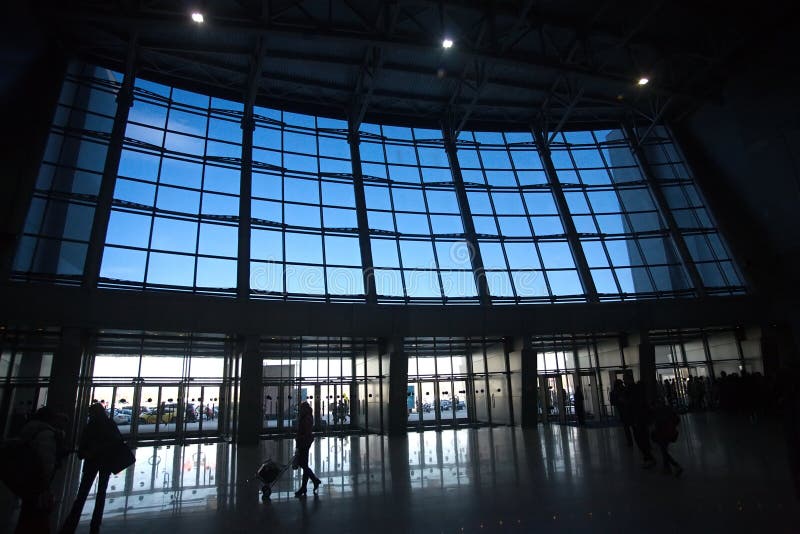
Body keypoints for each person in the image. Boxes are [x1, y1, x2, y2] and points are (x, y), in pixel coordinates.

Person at [60, 402, 126, 534]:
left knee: (83, 492)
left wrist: (84, 453)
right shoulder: (109, 423)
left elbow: (84, 442)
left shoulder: (91, 425)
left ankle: (73, 520)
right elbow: (118, 440)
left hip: (92, 461)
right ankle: (96, 522)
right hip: (106, 461)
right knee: (101, 491)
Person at [14, 406, 67, 534]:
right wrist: (45, 483)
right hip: (37, 479)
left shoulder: (29, 429)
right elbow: (46, 461)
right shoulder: (46, 434)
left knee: (28, 510)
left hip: (25, 474)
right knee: (37, 512)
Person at [294, 401, 321, 498]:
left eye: (301, 408)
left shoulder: (306, 418)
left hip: (304, 443)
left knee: (303, 464)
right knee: (304, 464)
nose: (300, 410)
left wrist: (299, 438)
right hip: (304, 442)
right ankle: (304, 487)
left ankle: (314, 480)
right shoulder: (307, 417)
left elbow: (306, 433)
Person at [651, 398, 683, 477]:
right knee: (664, 450)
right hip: (670, 433)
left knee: (664, 451)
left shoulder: (657, 412)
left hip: (662, 434)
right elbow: (677, 419)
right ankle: (667, 467)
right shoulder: (668, 409)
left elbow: (656, 424)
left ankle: (675, 466)